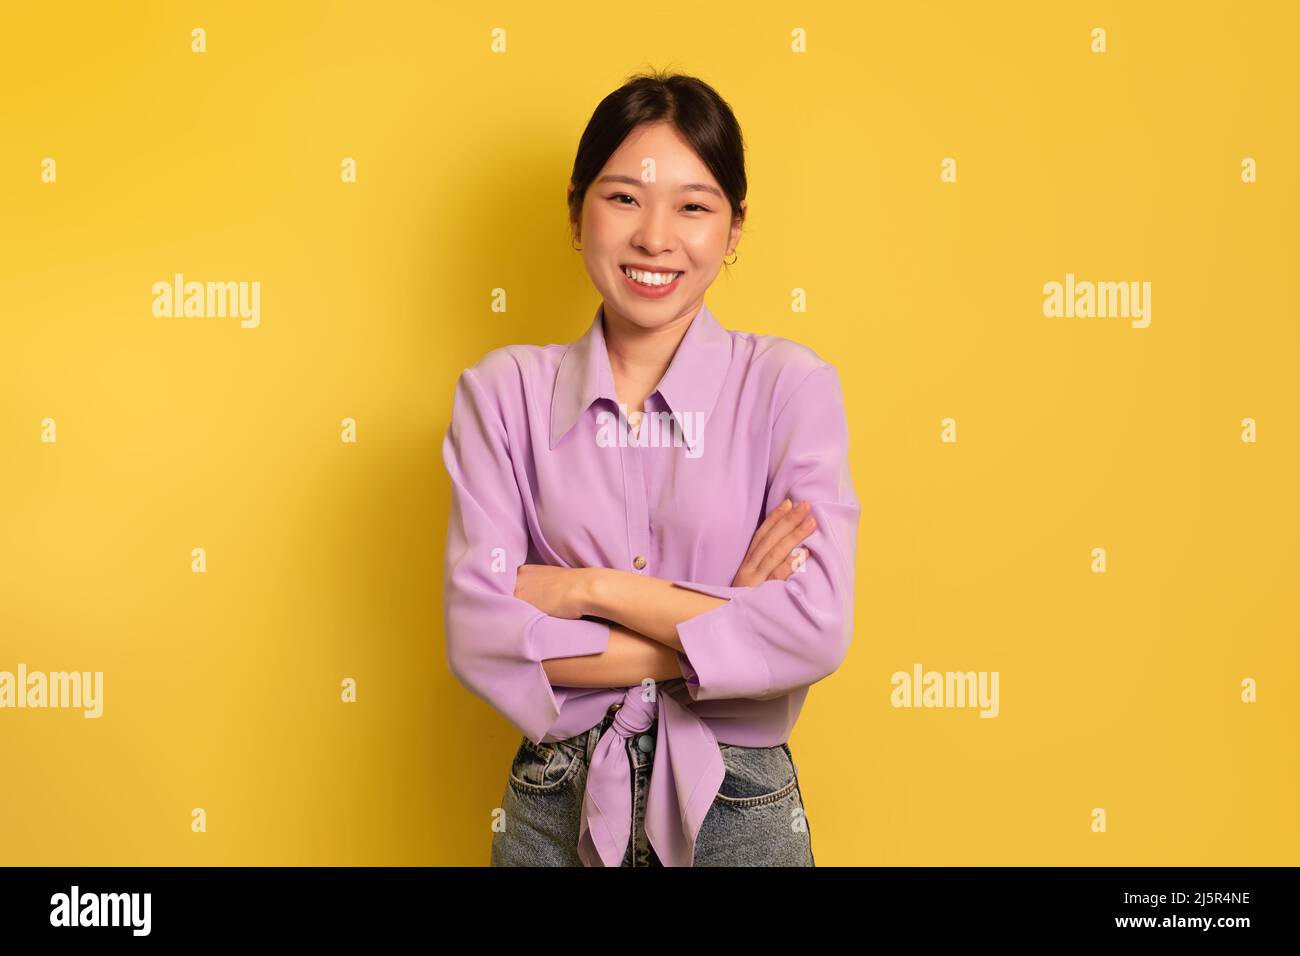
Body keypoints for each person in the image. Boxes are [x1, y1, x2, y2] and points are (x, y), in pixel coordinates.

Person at [441, 70, 860, 866]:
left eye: (694, 206)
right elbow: (478, 636)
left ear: (735, 229)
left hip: (741, 808)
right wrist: (729, 623)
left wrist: (584, 589)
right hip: (551, 804)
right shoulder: (500, 395)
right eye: (624, 197)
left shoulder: (790, 387)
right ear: (576, 211)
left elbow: (817, 628)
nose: (655, 237)